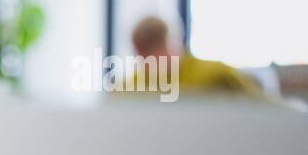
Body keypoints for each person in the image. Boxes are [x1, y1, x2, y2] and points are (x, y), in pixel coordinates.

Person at [114, 15, 271, 100]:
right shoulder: (128, 88)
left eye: (156, 51)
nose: (148, 62)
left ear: (173, 43)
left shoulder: (215, 74)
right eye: (143, 56)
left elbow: (263, 107)